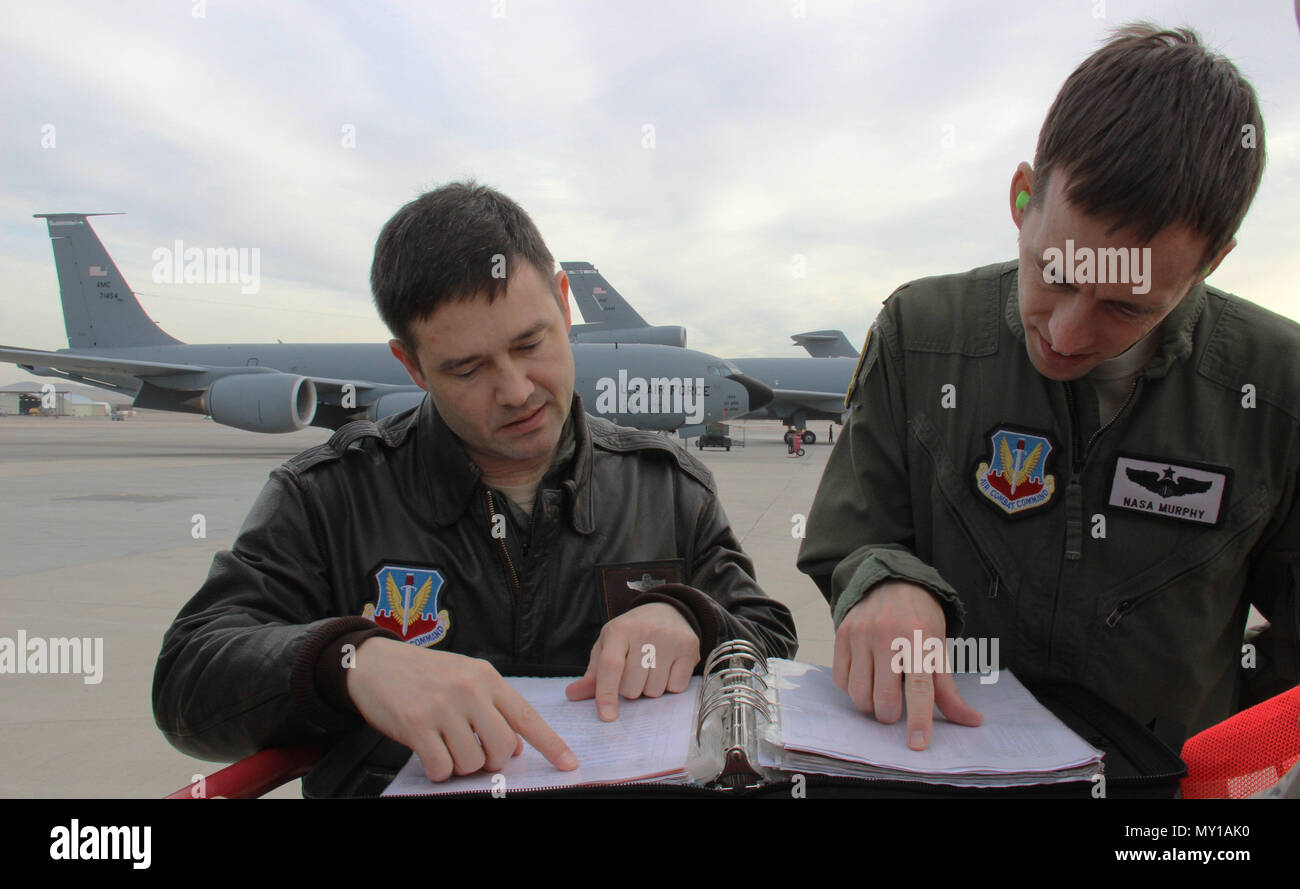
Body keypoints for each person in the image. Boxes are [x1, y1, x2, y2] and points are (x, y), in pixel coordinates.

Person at [153, 182, 797, 783]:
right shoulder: (330, 495)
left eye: (530, 344)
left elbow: (768, 635)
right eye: (467, 369)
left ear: (564, 303)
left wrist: (691, 617)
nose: (516, 392)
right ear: (411, 366)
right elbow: (188, 684)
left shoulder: (668, 486)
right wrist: (350, 661)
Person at [797, 24, 1298, 751]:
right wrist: (881, 582)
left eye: (1126, 306)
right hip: (944, 769)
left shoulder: (1275, 388)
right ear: (1024, 196)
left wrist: (1229, 742)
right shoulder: (920, 335)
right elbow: (851, 534)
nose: (1064, 333)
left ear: (1210, 263)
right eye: (1053, 273)